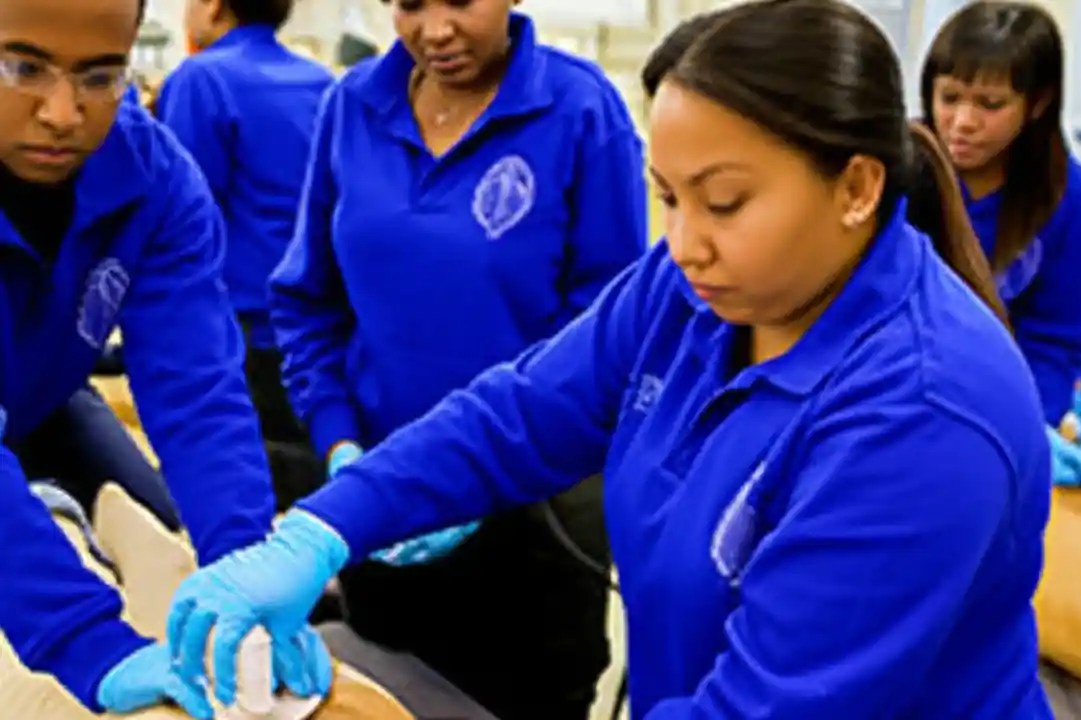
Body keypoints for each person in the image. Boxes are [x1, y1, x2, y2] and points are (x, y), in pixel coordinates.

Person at [166, 0, 1055, 715]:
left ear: (858, 187)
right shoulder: (694, 290)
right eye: (669, 198)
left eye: (726, 202)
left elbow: (769, 703)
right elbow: (517, 414)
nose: (685, 240)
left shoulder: (923, 413)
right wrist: (325, 527)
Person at [264, 0, 647, 717]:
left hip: (535, 522)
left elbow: (613, 333)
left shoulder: (579, 111)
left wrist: (488, 473)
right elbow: (308, 300)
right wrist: (341, 444)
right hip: (386, 510)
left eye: (461, 0)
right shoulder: (353, 106)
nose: (435, 31)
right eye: (409, 4)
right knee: (382, 692)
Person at [0, 0, 329, 717]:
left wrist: (249, 567)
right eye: (22, 67)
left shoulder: (151, 180)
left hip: (40, 400)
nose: (62, 112)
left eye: (100, 76)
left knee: (169, 538)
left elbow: (198, 393)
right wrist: (88, 644)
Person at [920, 0, 1081, 498]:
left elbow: (1055, 339)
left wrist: (1025, 432)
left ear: (1038, 103)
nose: (962, 121)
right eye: (949, 97)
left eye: (989, 104)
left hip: (999, 406)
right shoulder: (900, 170)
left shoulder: (1070, 196)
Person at [155, 0, 331, 445]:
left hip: (238, 332)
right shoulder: (322, 82)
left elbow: (180, 218)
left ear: (212, 7)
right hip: (315, 327)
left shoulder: (202, 79)